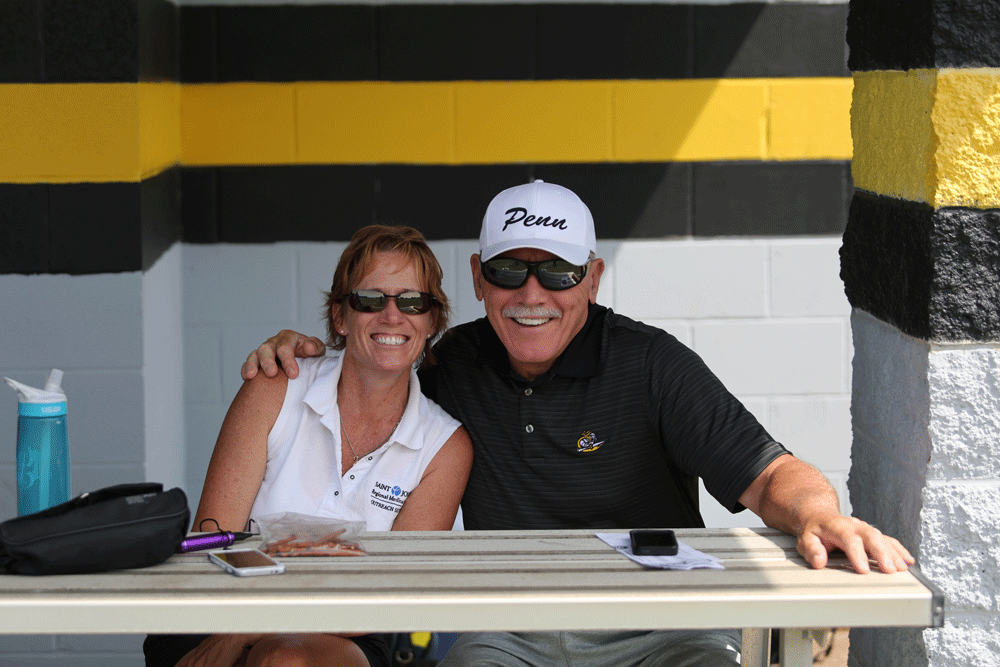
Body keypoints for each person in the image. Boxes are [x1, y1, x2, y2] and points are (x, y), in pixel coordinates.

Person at [242, 181, 914, 666]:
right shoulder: (452, 364)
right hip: (508, 634)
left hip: (664, 629)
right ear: (479, 279)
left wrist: (819, 512)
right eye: (510, 270)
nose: (532, 294)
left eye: (557, 273)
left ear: (592, 279)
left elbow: (767, 471)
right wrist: (300, 349)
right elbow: (377, 351)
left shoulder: (651, 364)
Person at [146, 225, 473, 667]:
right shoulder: (275, 387)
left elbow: (392, 589)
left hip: (355, 626)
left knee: (286, 660)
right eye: (370, 300)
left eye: (412, 301)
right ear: (340, 316)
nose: (392, 316)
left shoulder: (445, 447)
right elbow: (212, 542)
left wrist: (254, 629)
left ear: (431, 320)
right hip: (228, 602)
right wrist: (245, 622)